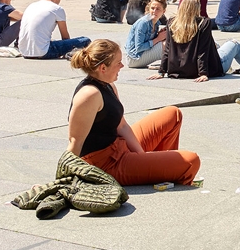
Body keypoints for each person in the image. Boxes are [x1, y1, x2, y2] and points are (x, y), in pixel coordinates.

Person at [65, 39, 201, 185]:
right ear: (103, 68)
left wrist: (143, 156)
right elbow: (75, 142)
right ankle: (163, 171)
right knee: (191, 161)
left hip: (119, 147)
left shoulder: (108, 84)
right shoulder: (89, 95)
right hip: (106, 165)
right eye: (118, 62)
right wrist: (62, 183)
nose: (122, 66)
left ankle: (158, 169)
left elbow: (122, 126)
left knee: (172, 114)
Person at [156, 0, 240, 80]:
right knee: (234, 44)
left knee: (216, 44)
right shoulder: (203, 22)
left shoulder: (172, 22)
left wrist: (161, 71)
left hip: (177, 69)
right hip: (202, 68)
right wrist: (203, 73)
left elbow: (167, 49)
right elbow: (203, 50)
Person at [21, 0, 89, 61]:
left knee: (54, 42)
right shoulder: (57, 9)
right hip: (43, 52)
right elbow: (65, 36)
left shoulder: (31, 6)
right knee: (85, 40)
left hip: (24, 51)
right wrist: (68, 47)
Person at [126, 0, 170, 70]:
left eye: (158, 9)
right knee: (165, 44)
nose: (154, 11)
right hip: (134, 58)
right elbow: (139, 47)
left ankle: (169, 64)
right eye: (152, 8)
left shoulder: (156, 23)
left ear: (164, 11)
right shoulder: (143, 23)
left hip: (141, 54)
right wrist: (158, 39)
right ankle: (170, 65)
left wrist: (158, 36)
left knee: (166, 40)